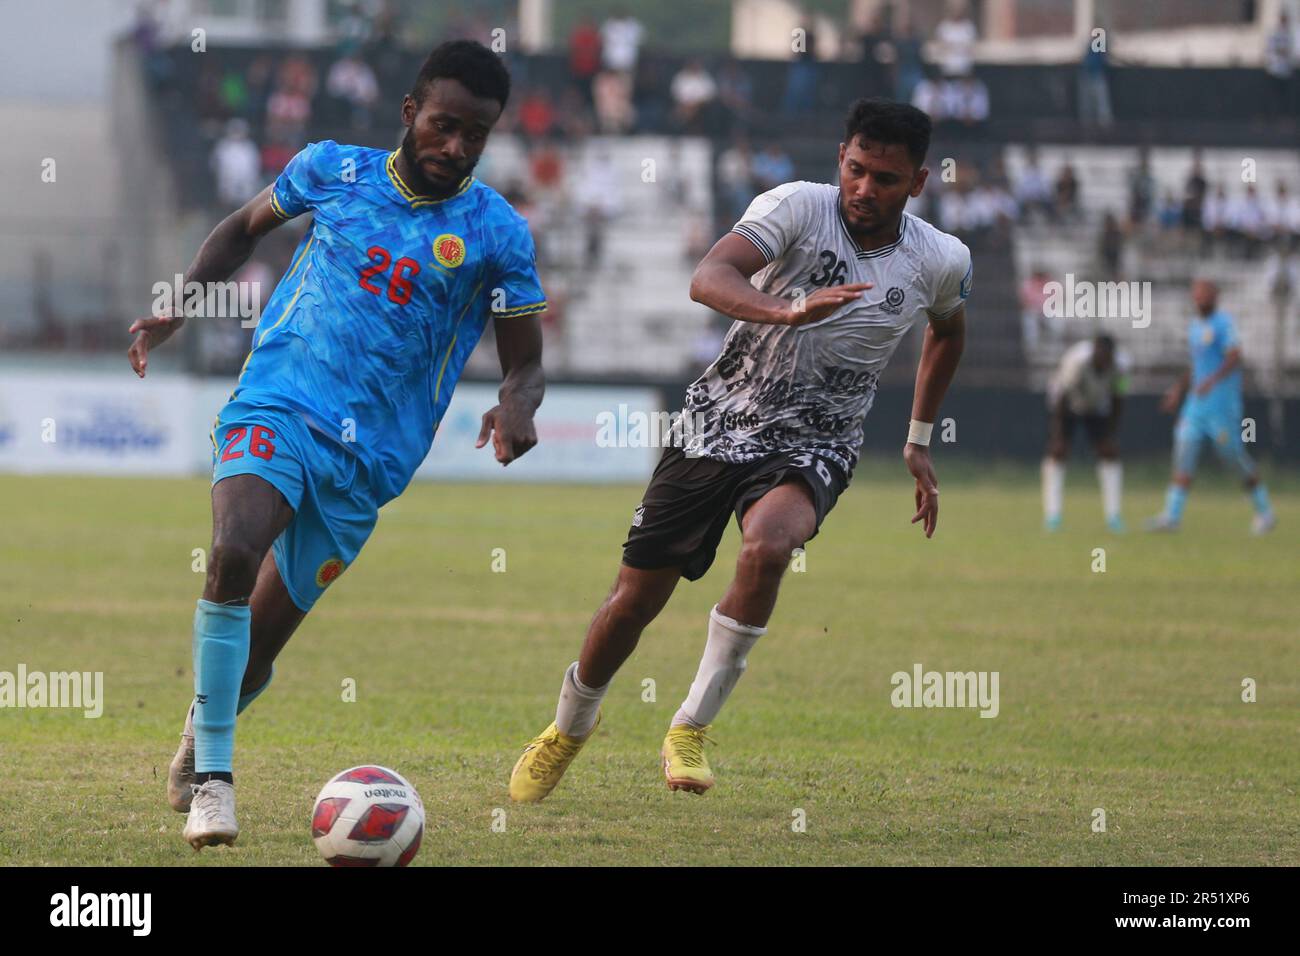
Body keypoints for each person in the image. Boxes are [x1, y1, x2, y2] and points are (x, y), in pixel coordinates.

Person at [128, 40, 547, 851]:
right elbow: (241, 227)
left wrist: (515, 405)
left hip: (370, 464)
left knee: (259, 640)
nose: (455, 147)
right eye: (443, 125)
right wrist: (180, 303)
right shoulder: (333, 170)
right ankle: (216, 781)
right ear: (410, 114)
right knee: (231, 551)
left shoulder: (497, 234)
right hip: (280, 399)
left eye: (475, 136)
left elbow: (526, 364)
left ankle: (198, 729)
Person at [508, 99, 971, 802]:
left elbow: (948, 331)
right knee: (634, 600)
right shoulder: (795, 207)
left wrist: (917, 440)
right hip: (715, 423)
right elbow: (708, 277)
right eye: (855, 170)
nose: (865, 189)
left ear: (918, 182)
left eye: (885, 178)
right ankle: (569, 727)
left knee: (770, 546)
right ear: (839, 158)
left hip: (818, 440)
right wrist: (787, 309)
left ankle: (690, 727)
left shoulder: (941, 259)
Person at [1147, 280, 1275, 535]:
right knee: (1184, 453)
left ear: (1215, 296)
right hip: (1196, 406)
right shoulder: (1195, 327)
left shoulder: (1224, 324)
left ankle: (1264, 511)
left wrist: (1212, 380)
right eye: (1196, 294)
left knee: (1233, 458)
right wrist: (1177, 389)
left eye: (1204, 294)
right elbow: (1196, 364)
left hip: (1222, 406)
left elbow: (1235, 356)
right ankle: (1172, 516)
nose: (1199, 299)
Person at [1042, 335, 1129, 532]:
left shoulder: (1122, 367)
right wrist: (1059, 437)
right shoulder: (1076, 362)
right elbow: (1062, 398)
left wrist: (1111, 434)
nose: (1102, 361)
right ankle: (1052, 516)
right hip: (1067, 405)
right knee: (1058, 453)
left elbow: (1118, 399)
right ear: (1094, 352)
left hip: (1097, 407)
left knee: (1109, 452)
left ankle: (1114, 516)